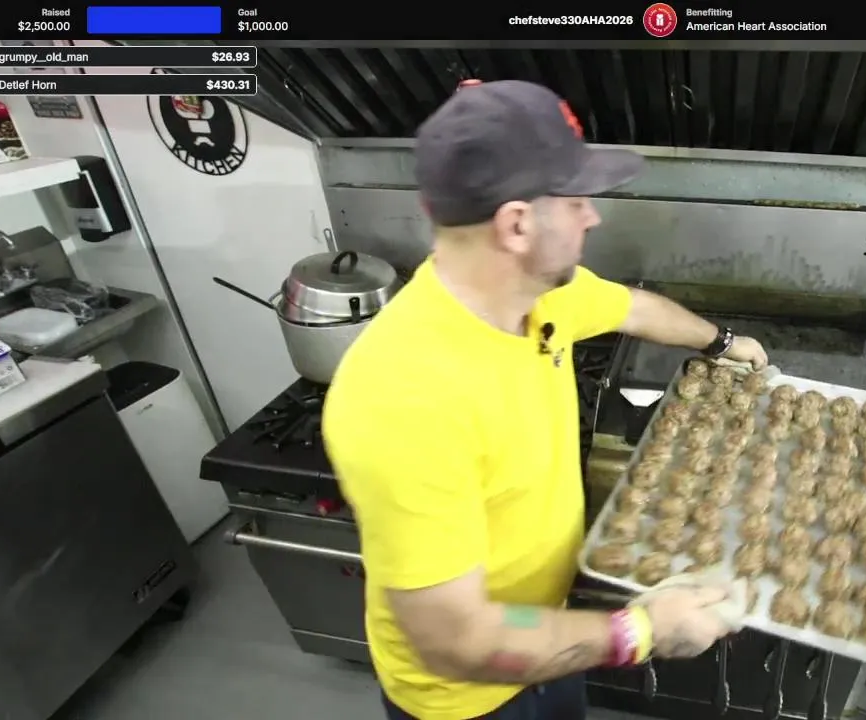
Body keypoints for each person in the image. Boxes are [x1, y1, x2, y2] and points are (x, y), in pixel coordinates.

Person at [321, 79, 770, 720]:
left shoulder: (540, 295)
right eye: (577, 201)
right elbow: (456, 641)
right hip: (466, 697)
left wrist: (722, 342)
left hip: (549, 636)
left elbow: (633, 308)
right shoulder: (404, 396)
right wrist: (641, 630)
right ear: (517, 224)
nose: (593, 216)